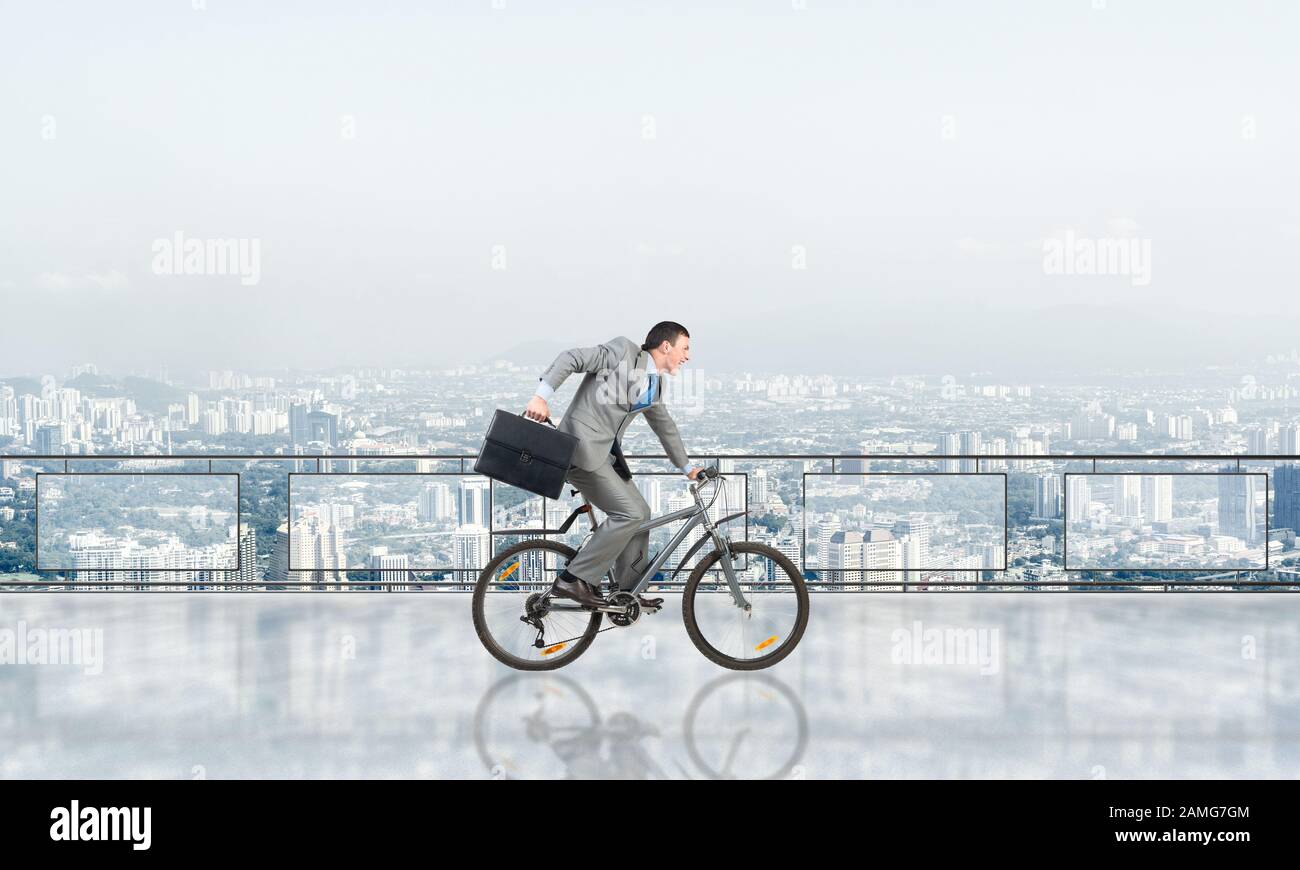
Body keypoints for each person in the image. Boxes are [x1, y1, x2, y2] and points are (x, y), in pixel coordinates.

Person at [524, 321, 704, 608]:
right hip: (580, 453)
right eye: (685, 348)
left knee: (641, 514)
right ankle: (573, 579)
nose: (688, 356)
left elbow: (665, 427)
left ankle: (627, 592)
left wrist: (687, 468)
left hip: (604, 458)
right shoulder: (623, 352)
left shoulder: (654, 386)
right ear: (666, 346)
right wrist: (540, 397)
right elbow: (572, 358)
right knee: (629, 513)